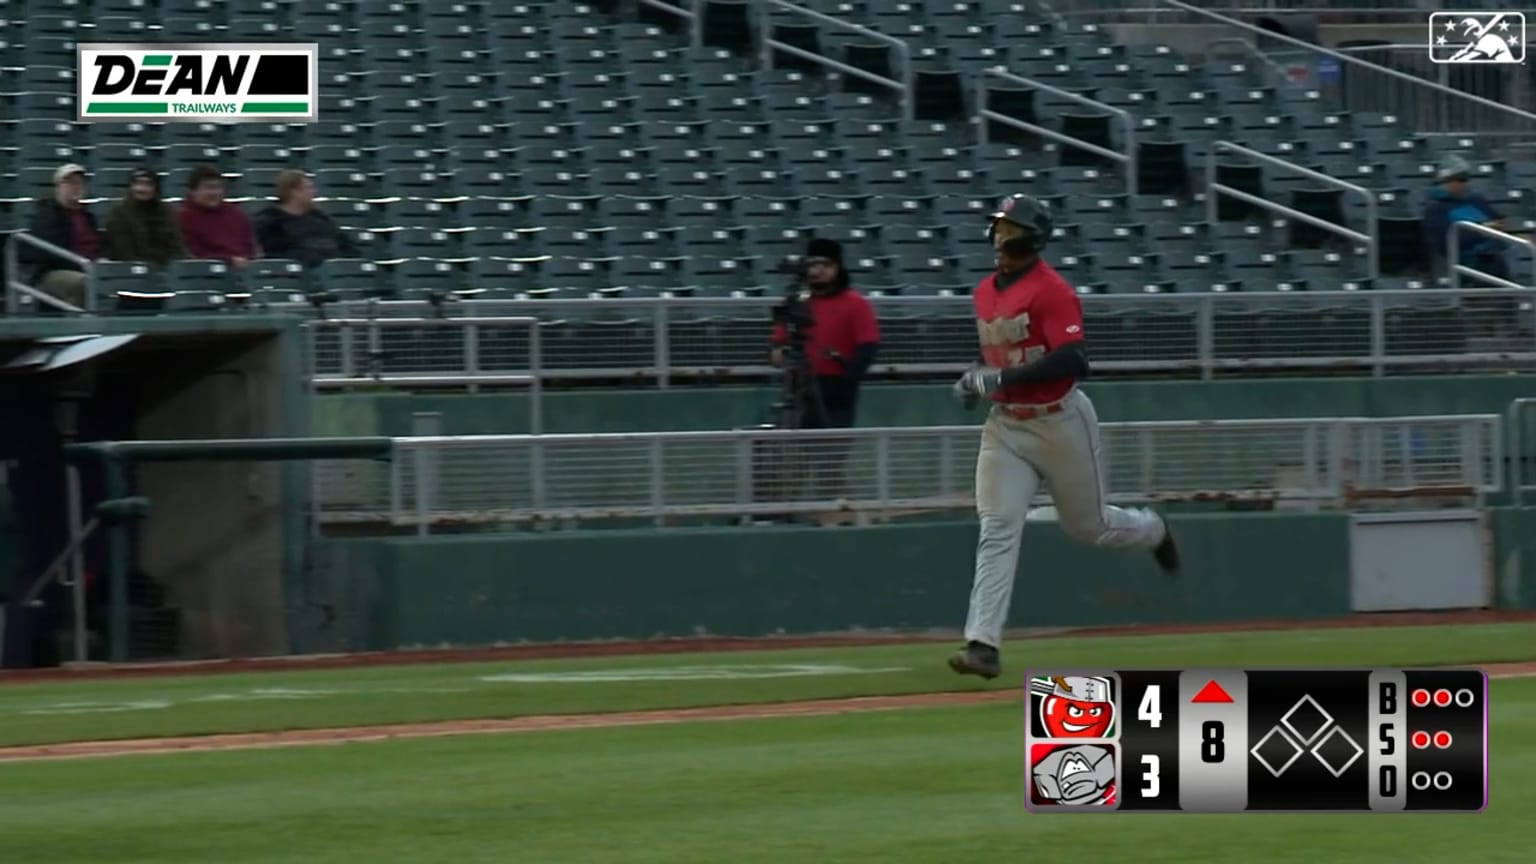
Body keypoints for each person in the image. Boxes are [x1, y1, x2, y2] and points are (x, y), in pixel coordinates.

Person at [945, 193, 1180, 680]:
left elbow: (1074, 359)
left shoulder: (1052, 290)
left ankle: (1151, 530)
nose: (1001, 236)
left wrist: (999, 378)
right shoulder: (984, 291)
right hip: (1006, 426)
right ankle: (982, 644)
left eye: (1011, 230)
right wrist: (973, 378)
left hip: (1060, 422)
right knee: (997, 528)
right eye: (999, 227)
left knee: (1089, 527)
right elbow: (998, 354)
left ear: (1032, 240)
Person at [768, 237, 881, 507]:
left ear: (838, 268)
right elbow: (778, 343)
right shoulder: (797, 303)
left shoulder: (855, 303)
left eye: (826, 264)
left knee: (832, 455)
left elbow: (868, 345)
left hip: (837, 388)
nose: (818, 270)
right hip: (800, 386)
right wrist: (779, 352)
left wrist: (848, 378)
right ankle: (791, 506)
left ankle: (831, 505)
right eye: (813, 264)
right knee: (798, 453)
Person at [18, 163, 101, 310]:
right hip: (53, 271)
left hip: (90, 266)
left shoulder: (89, 217)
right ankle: (86, 322)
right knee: (83, 283)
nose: (76, 187)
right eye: (70, 183)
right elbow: (52, 253)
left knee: (119, 277)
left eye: (79, 183)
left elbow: (98, 245)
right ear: (58, 188)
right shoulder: (47, 215)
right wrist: (85, 265)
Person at [1422, 155, 1511, 284]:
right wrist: (1483, 230)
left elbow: (1497, 220)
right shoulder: (1434, 208)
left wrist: (1496, 226)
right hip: (1467, 263)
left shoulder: (1475, 199)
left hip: (1495, 256)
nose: (1465, 184)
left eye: (1466, 179)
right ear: (1445, 182)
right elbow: (1446, 240)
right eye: (1460, 180)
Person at [253, 169, 358, 269]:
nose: (314, 192)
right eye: (309, 188)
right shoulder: (269, 221)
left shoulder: (321, 218)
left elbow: (347, 248)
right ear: (294, 192)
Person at [177, 164, 258, 267]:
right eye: (208, 188)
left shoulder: (236, 214)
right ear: (192, 191)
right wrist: (227, 260)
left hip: (244, 270)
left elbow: (250, 248)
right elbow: (194, 255)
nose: (214, 192)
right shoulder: (183, 217)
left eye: (218, 187)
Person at [102, 168, 185, 267]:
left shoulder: (166, 211)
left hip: (166, 268)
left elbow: (176, 247)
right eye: (138, 183)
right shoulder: (119, 214)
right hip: (131, 270)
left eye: (148, 184)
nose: (141, 189)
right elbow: (124, 253)